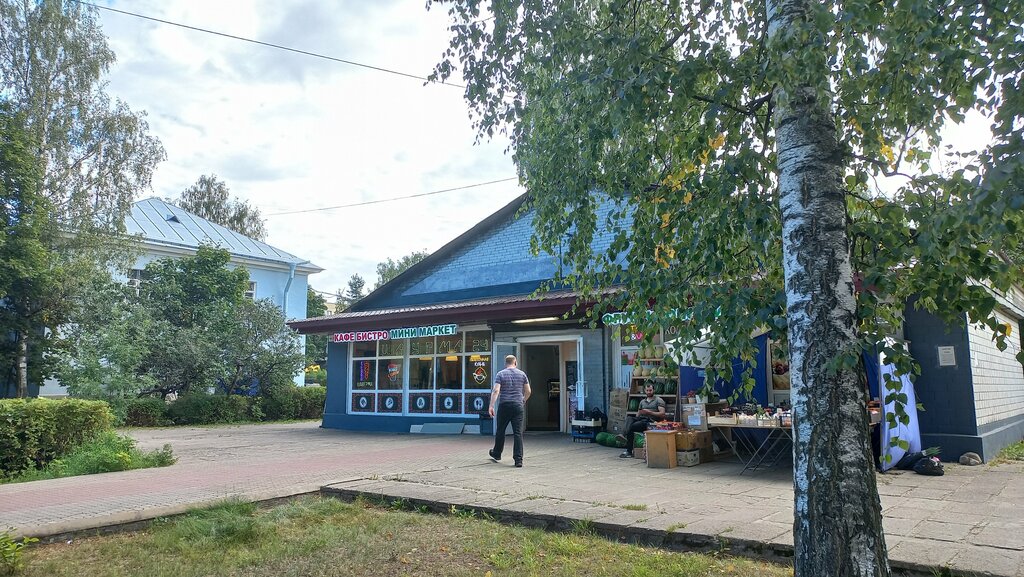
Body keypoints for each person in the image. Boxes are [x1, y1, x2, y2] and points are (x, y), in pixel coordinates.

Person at [488, 354, 531, 467]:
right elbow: (528, 391)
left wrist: (491, 406)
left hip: (504, 405)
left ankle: (497, 453)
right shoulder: (522, 374)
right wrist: (523, 400)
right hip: (518, 406)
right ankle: (518, 460)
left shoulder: (500, 374)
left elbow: (496, 391)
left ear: (505, 363)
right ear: (515, 362)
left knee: (501, 430)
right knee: (518, 433)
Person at [619, 384, 666, 458]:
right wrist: (641, 413)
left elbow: (662, 414)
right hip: (641, 418)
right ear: (645, 391)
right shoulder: (642, 402)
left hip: (651, 421)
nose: (649, 392)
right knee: (629, 418)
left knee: (632, 427)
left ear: (654, 390)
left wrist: (649, 412)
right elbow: (638, 414)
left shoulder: (658, 400)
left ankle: (628, 451)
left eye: (650, 390)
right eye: (647, 390)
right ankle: (622, 435)